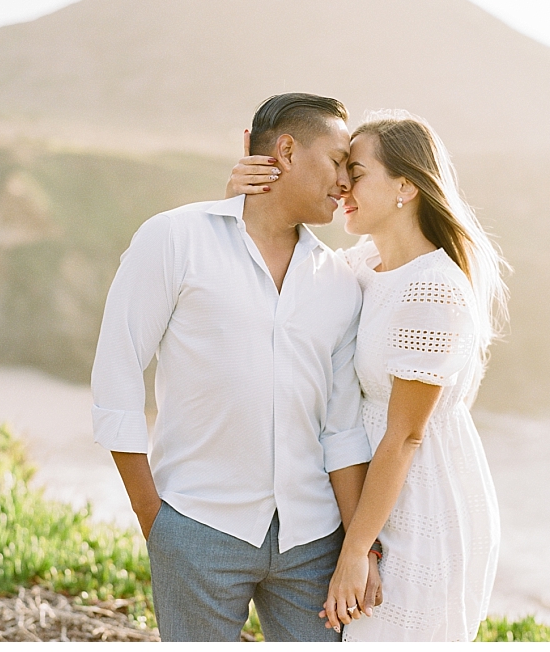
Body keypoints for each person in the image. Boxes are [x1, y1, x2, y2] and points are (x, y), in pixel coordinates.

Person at [91, 93, 380, 642]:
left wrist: (358, 548)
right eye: (339, 160)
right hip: (198, 528)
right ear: (287, 151)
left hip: (314, 542)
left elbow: (342, 427)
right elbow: (116, 378)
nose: (346, 182)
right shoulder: (175, 238)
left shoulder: (340, 281)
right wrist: (158, 524)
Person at [227, 109, 507, 641]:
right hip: (372, 502)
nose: (341, 185)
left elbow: (405, 436)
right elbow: (275, 280)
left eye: (355, 173)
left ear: (405, 185)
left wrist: (357, 551)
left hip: (424, 508)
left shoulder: (434, 289)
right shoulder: (362, 265)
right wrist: (247, 193)